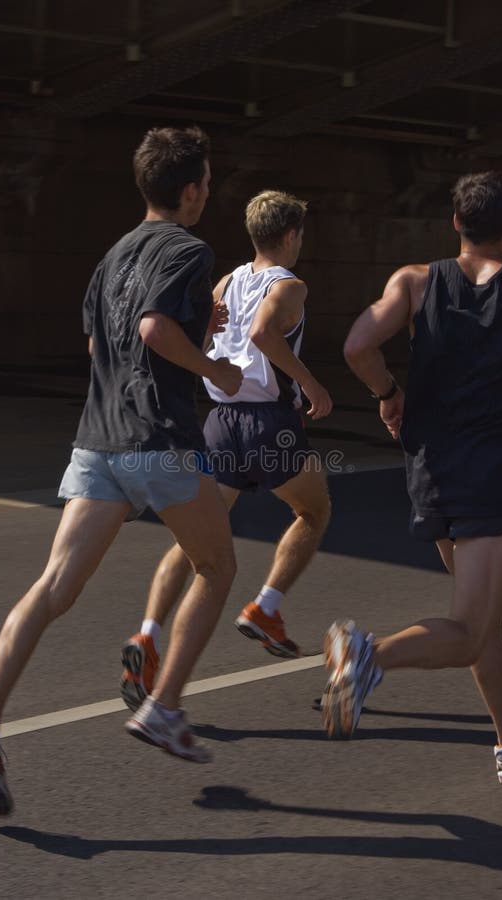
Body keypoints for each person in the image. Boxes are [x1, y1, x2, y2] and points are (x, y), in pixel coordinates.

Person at [0, 125, 244, 815]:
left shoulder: (112, 256)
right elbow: (151, 332)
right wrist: (214, 369)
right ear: (193, 188)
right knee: (216, 567)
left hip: (97, 440)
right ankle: (164, 708)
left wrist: (195, 325)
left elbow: (98, 341)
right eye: (206, 183)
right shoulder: (189, 249)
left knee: (52, 587)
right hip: (158, 439)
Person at [322, 170, 502, 785]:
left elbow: (357, 346)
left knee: (483, 615)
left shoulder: (415, 282)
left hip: (433, 471)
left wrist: (388, 393)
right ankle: (368, 659)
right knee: (471, 632)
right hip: (496, 480)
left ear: (456, 224)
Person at [119, 189, 333, 713]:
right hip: (268, 424)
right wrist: (311, 385)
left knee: (199, 539)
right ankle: (266, 607)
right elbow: (263, 333)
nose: (301, 242)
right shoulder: (291, 284)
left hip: (220, 423)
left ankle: (146, 637)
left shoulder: (228, 281)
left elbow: (202, 328)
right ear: (289, 236)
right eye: (301, 234)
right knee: (313, 510)